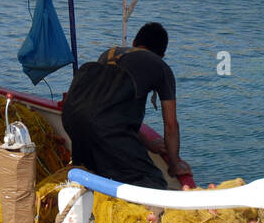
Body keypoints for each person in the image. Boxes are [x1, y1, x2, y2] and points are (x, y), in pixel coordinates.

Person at [61, 22, 190, 189]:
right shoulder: (160, 67)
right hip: (103, 126)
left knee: (89, 174)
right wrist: (174, 165)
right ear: (162, 55)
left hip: (71, 117)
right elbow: (171, 125)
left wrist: (149, 145)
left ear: (135, 42)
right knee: (151, 181)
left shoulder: (109, 54)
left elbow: (111, 110)